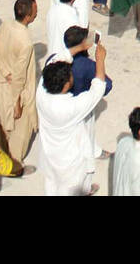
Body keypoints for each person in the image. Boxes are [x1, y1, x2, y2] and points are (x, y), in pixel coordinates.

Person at [36, 53, 107, 196]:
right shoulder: (71, 107)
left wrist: (79, 47)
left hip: (50, 155)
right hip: (71, 163)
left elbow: (53, 62)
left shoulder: (41, 94)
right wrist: (100, 59)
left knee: (51, 184)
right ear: (67, 84)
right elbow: (97, 88)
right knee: (71, 189)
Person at [0, 0, 39, 161]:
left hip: (2, 86)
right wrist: (17, 102)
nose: (36, 14)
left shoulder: (6, 25)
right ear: (27, 16)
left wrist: (5, 73)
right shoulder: (26, 42)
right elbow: (19, 77)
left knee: (2, 127)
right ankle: (14, 165)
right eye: (35, 11)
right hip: (18, 92)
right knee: (19, 133)